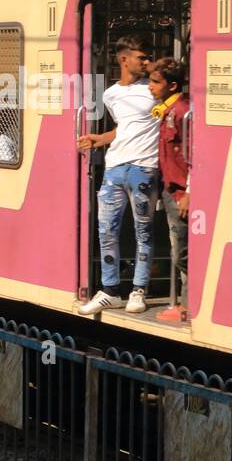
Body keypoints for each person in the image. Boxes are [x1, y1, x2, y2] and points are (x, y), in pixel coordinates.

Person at [75, 36, 158, 315]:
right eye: (141, 57)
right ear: (124, 60)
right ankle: (110, 291)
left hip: (144, 168)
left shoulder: (155, 90)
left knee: (143, 231)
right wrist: (100, 138)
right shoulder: (111, 94)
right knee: (106, 230)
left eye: (148, 58)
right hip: (114, 168)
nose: (146, 62)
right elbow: (125, 128)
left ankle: (138, 290)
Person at [148, 58, 190, 324]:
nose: (150, 87)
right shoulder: (167, 110)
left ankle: (188, 304)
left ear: (172, 85)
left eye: (155, 82)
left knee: (182, 252)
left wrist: (190, 191)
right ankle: (187, 303)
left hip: (181, 192)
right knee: (179, 247)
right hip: (169, 188)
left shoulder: (184, 112)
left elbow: (196, 154)